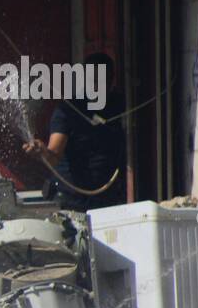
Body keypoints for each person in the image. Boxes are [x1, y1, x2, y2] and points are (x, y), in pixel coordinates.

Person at [22, 52, 126, 211]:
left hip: (107, 200)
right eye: (93, 80)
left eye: (102, 81)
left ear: (111, 81)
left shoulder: (119, 105)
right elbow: (54, 155)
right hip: (71, 201)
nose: (97, 87)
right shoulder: (68, 110)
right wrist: (42, 152)